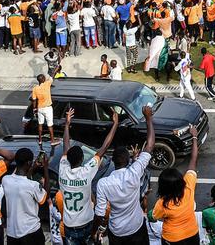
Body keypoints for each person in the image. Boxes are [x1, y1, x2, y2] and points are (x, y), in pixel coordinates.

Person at [95, 104, 157, 245]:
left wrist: (98, 229)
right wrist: (148, 118)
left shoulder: (103, 184)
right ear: (128, 160)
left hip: (117, 232)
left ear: (113, 161)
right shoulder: (134, 173)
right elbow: (150, 145)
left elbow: (100, 213)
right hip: (136, 227)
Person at [60, 105, 121, 245]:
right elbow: (104, 147)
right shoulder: (86, 172)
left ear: (67, 159)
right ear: (82, 160)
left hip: (69, 225)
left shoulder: (63, 169)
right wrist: (115, 124)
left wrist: (67, 124)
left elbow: (65, 145)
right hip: (86, 223)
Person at [152, 122, 202, 245]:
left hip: (172, 239)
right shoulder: (188, 188)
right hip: (192, 234)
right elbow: (193, 160)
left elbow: (154, 217)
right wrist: (194, 137)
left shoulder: (162, 204)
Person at [3, 147, 49, 245]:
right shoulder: (33, 185)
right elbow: (44, 198)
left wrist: (32, 167)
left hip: (12, 234)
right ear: (28, 163)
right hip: (31, 233)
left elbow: (21, 180)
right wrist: (45, 168)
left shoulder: (6, 180)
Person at [31, 73, 56, 145]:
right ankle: (52, 141)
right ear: (43, 79)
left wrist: (34, 109)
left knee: (40, 124)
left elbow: (34, 100)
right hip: (47, 108)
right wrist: (56, 68)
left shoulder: (35, 88)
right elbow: (52, 76)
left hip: (40, 108)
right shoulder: (47, 84)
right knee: (50, 125)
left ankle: (40, 140)